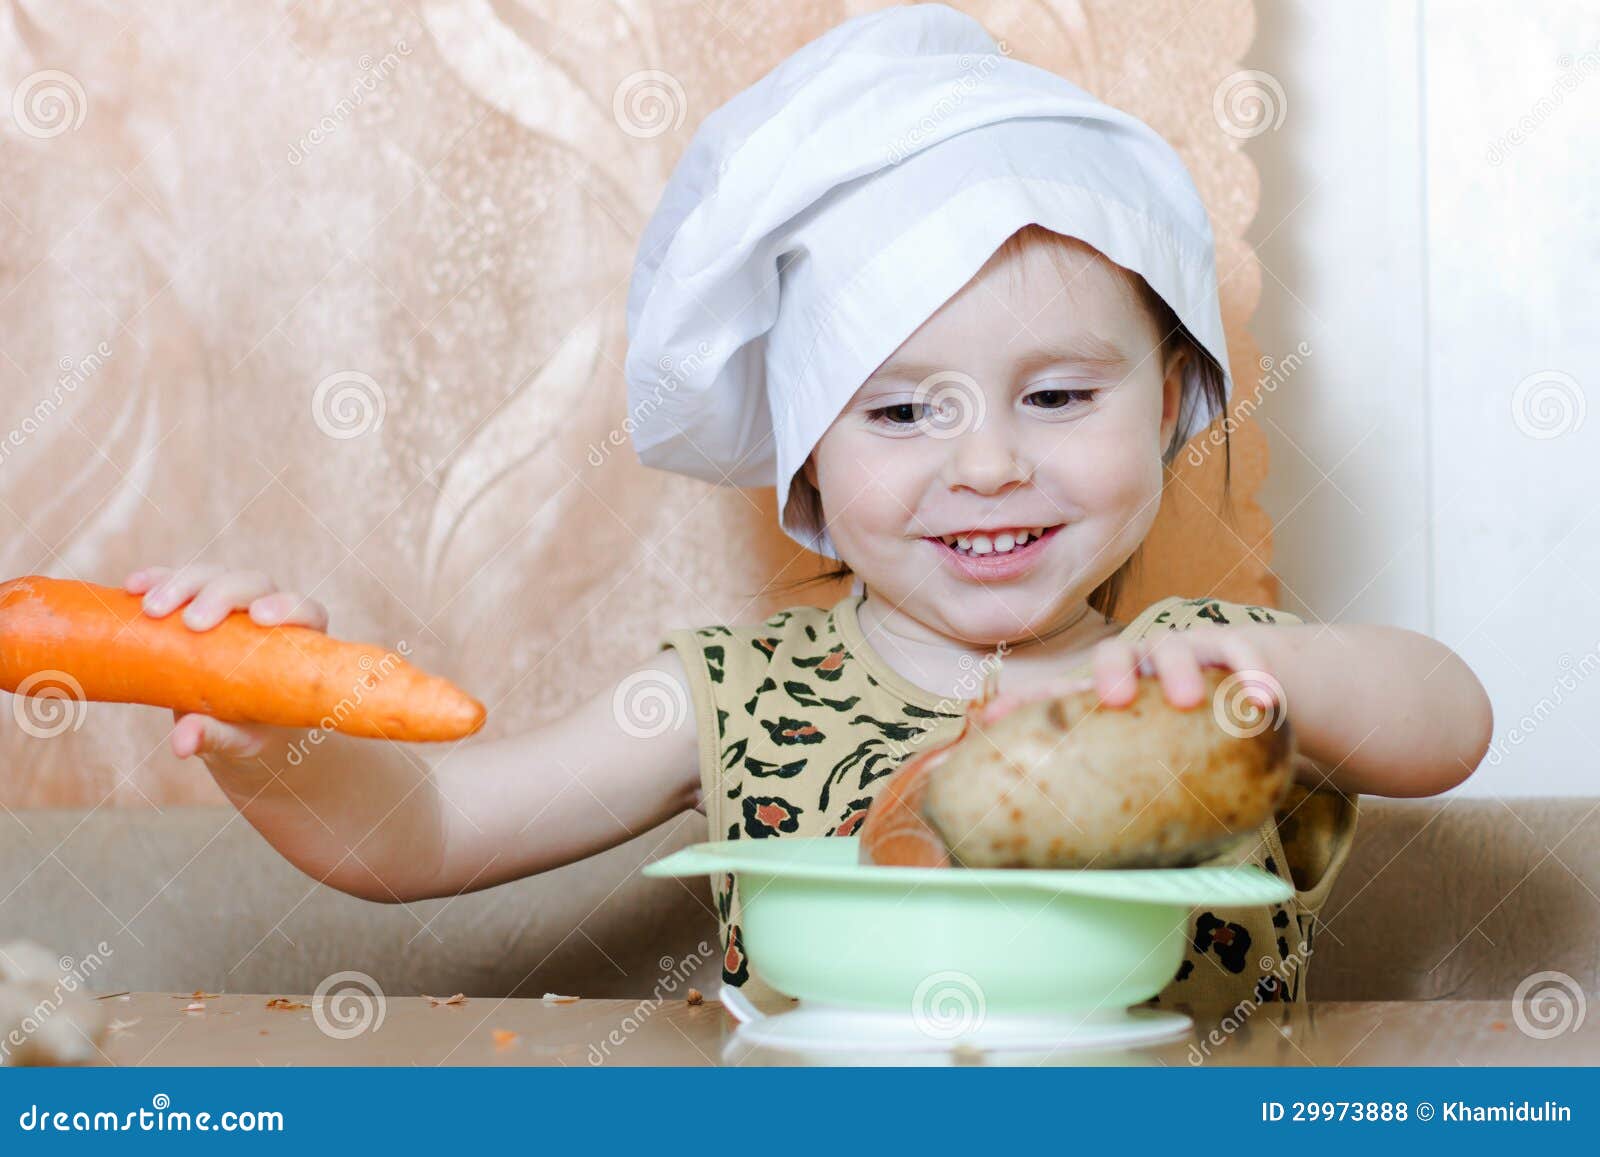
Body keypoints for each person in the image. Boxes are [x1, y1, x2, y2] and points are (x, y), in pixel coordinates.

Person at [125, 4, 1492, 1013]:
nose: (990, 465)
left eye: (1059, 397)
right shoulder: (736, 689)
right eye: (902, 412)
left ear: (1174, 396)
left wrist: (1278, 672)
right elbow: (420, 829)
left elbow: (1447, 721)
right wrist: (269, 737)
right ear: (807, 465)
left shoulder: (1199, 671)